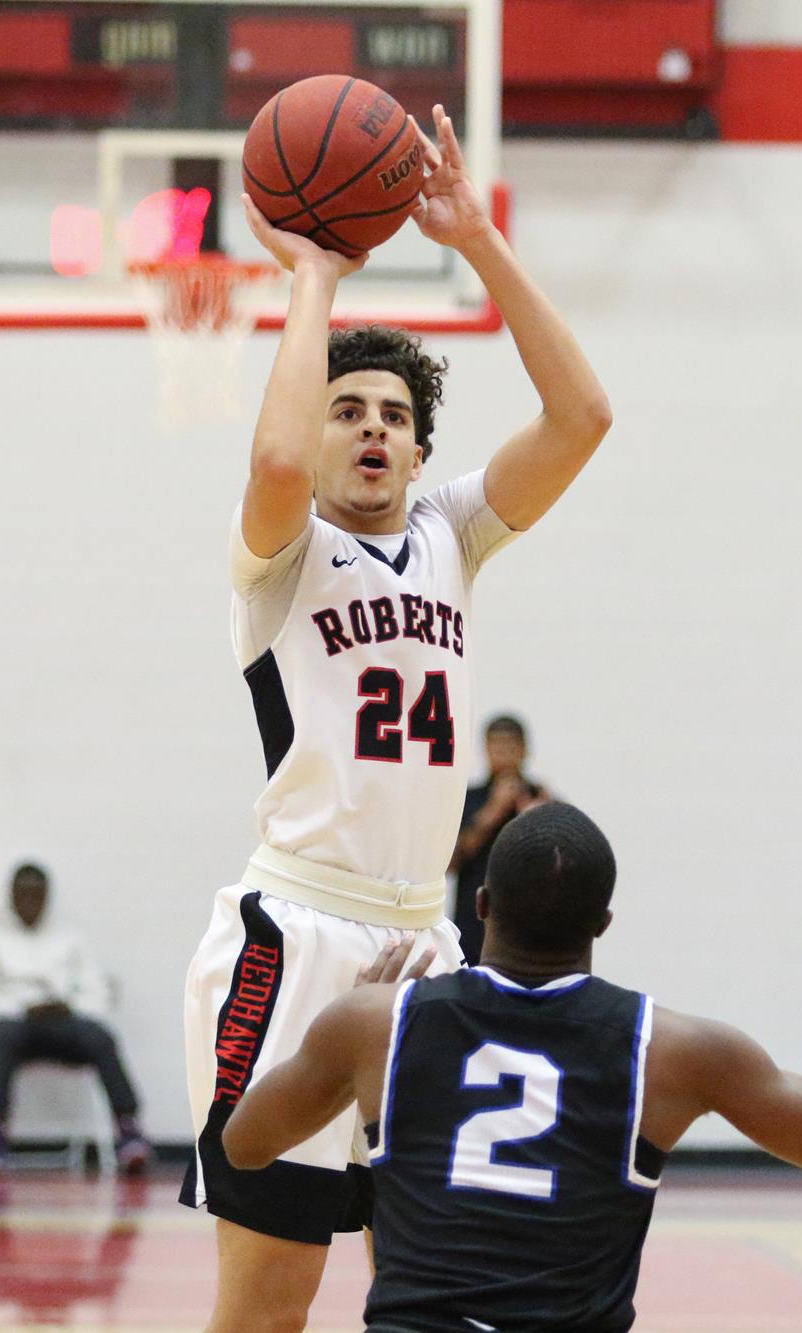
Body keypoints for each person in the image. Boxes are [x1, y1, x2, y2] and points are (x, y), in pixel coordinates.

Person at [181, 104, 614, 1329]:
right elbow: (273, 468)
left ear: (420, 454)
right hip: (295, 940)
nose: (371, 426)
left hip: (429, 947)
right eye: (345, 408)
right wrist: (313, 276)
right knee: (267, 1306)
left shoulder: (449, 536)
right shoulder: (278, 556)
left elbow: (582, 417)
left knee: (435, 1295)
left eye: (393, 415)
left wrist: (475, 240)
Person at [222, 802, 802, 1333]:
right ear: (603, 923)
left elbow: (244, 1144)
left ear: (481, 904)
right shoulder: (673, 1049)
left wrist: (345, 1043)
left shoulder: (378, 1022)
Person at [0, 862, 150, 1174]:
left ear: (47, 897)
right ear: (11, 897)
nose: (30, 902)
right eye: (23, 895)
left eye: (36, 895)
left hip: (64, 1023)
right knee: (2, 1036)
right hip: (17, 1025)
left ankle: (128, 1130)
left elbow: (96, 993)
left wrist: (67, 1006)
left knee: (101, 1037)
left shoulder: (70, 937)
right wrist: (23, 1008)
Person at [447, 713, 550, 964]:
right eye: (496, 746)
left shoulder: (542, 801)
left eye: (510, 747)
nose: (503, 755)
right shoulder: (467, 799)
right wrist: (491, 813)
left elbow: (560, 865)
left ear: (524, 750)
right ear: (486, 749)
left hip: (530, 925)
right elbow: (449, 863)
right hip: (474, 926)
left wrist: (537, 822)